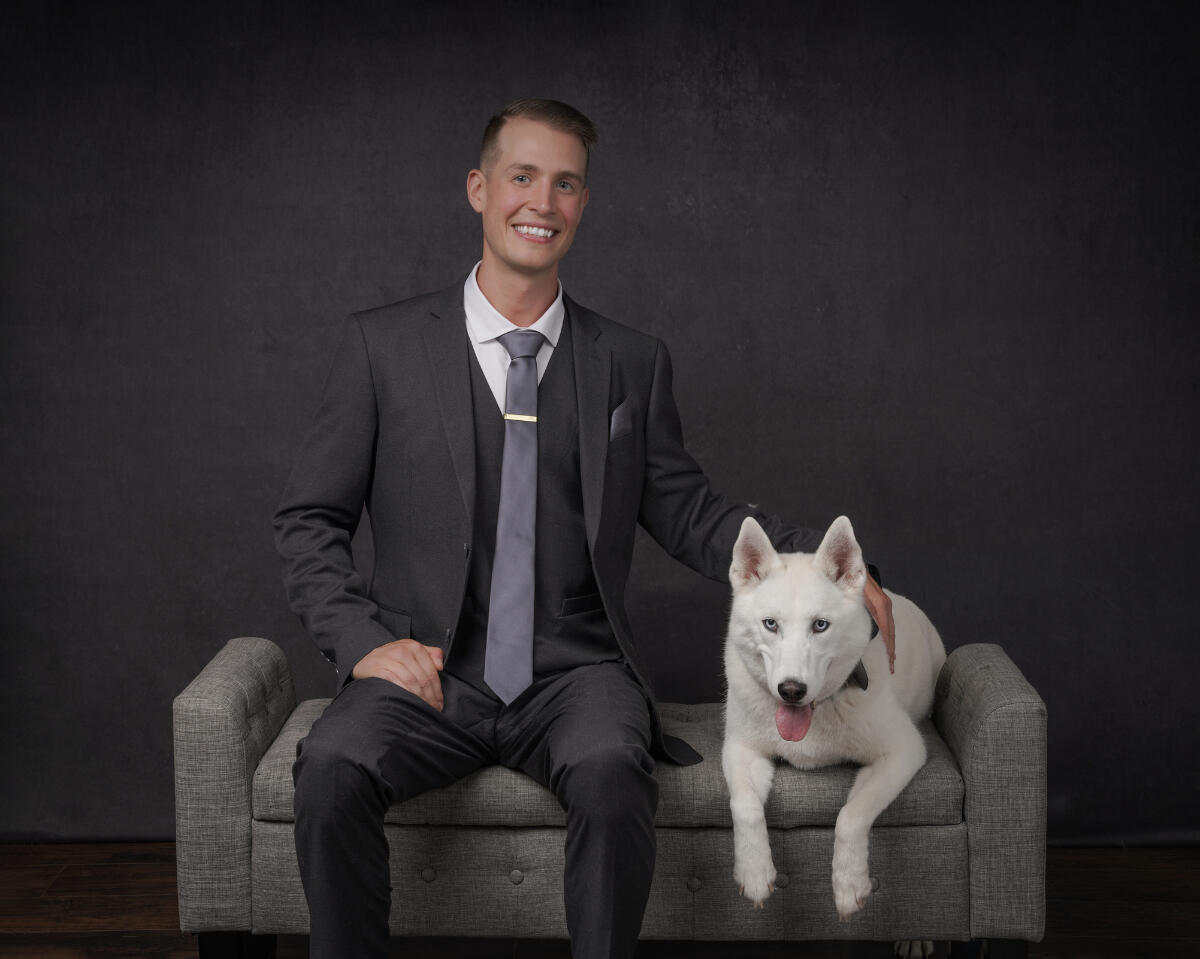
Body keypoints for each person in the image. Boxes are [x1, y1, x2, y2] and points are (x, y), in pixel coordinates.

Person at [274, 98, 894, 959]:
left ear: (584, 203)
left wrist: (841, 574)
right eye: (523, 177)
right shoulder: (381, 348)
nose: (543, 201)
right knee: (333, 765)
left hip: (578, 670)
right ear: (479, 188)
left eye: (565, 183)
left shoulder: (630, 362)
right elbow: (309, 520)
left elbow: (691, 510)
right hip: (426, 669)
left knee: (610, 769)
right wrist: (364, 643)